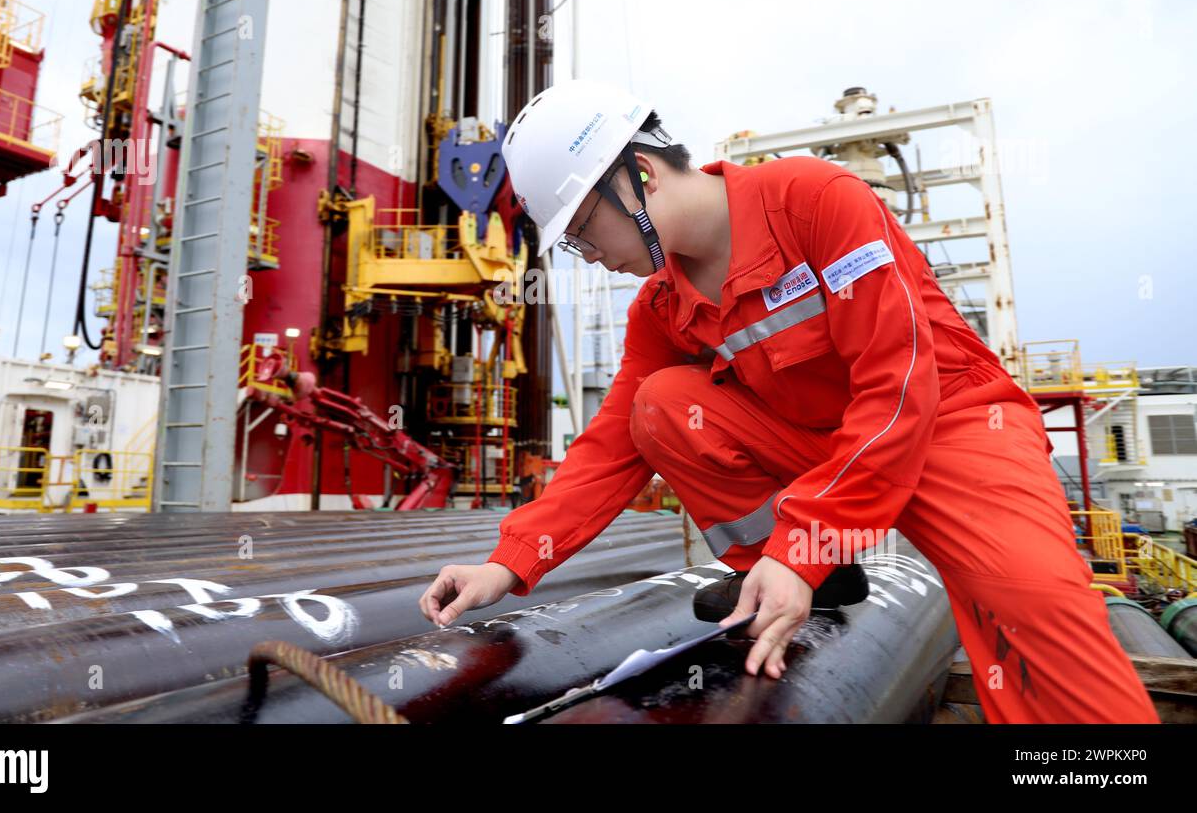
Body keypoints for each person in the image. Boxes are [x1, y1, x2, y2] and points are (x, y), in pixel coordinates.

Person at [417, 79, 1159, 723]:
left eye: (583, 231)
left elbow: (898, 380)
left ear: (639, 177)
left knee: (1033, 609)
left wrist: (805, 542)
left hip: (949, 430)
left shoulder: (813, 200)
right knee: (659, 403)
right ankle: (772, 566)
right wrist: (511, 564)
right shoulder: (663, 306)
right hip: (827, 453)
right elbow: (612, 444)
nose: (593, 257)